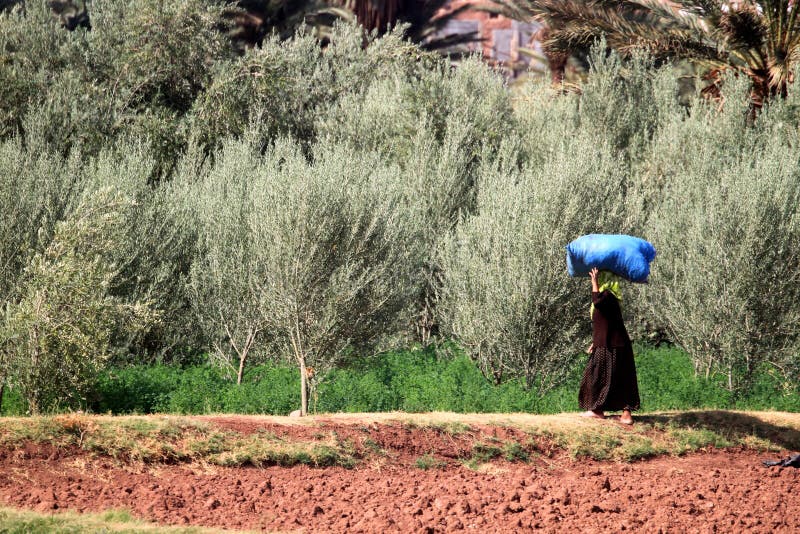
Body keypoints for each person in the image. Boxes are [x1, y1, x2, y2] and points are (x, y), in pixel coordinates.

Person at [579, 267, 640, 424]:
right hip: (611, 343)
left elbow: (597, 302)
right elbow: (606, 324)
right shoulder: (610, 298)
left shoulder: (608, 296)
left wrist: (594, 282)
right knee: (614, 377)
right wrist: (595, 341)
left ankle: (600, 411)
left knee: (598, 375)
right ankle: (614, 413)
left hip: (612, 345)